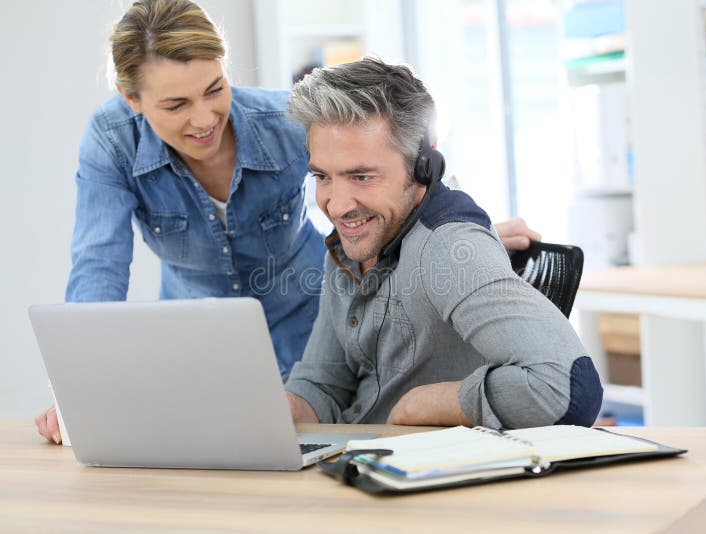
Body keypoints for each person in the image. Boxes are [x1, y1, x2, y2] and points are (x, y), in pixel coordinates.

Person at [34, 0, 541, 443]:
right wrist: (79, 388)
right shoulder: (112, 142)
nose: (205, 118)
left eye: (214, 88)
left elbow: (388, 169)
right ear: (132, 100)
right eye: (175, 104)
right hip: (201, 343)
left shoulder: (280, 122)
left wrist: (455, 232)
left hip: (309, 331)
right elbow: (98, 265)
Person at [283, 58, 603, 429]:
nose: (336, 206)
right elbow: (327, 383)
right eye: (322, 176)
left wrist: (423, 405)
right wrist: (283, 407)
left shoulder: (450, 249)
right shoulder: (353, 243)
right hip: (352, 464)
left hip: (417, 476)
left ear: (423, 165)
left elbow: (568, 387)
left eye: (361, 176)